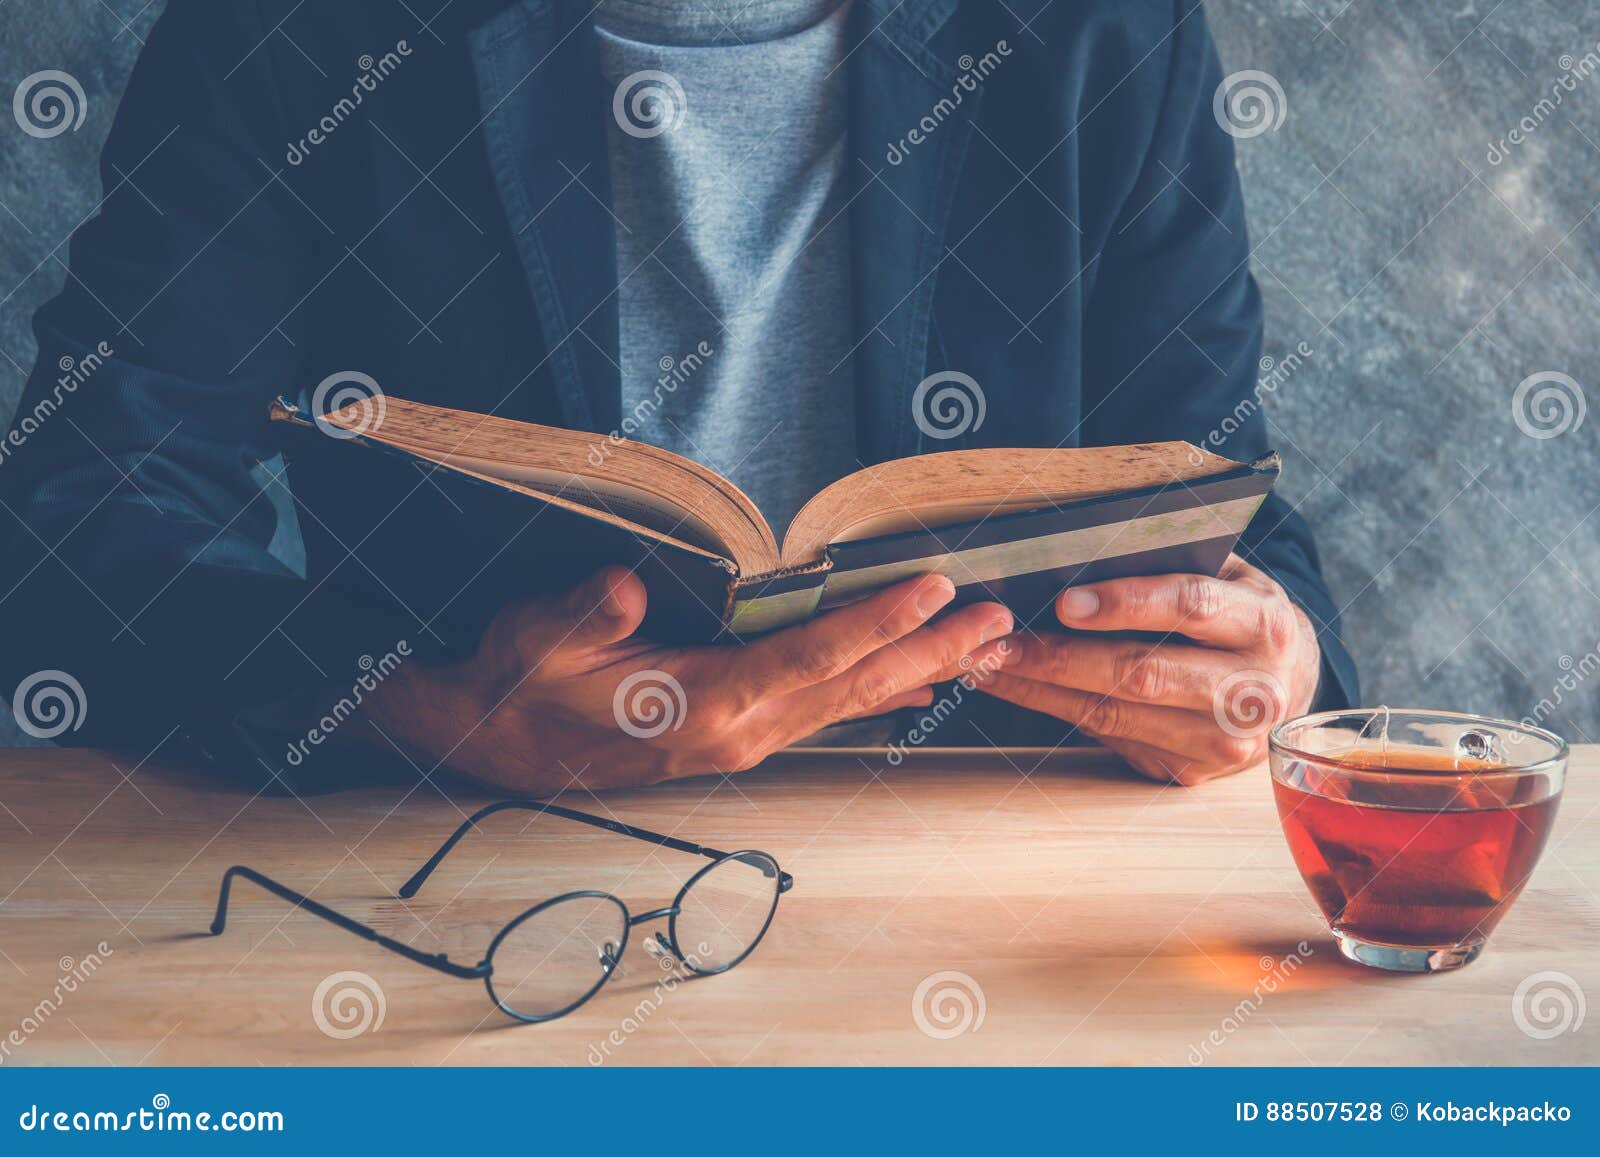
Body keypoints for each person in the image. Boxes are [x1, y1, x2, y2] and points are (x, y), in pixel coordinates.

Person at [0, 0, 1355, 795]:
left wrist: (1275, 672)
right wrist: (426, 712)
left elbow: (1227, 523)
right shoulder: (294, 32)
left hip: (990, 899)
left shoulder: (1103, 31)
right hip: (474, 871)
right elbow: (77, 523)